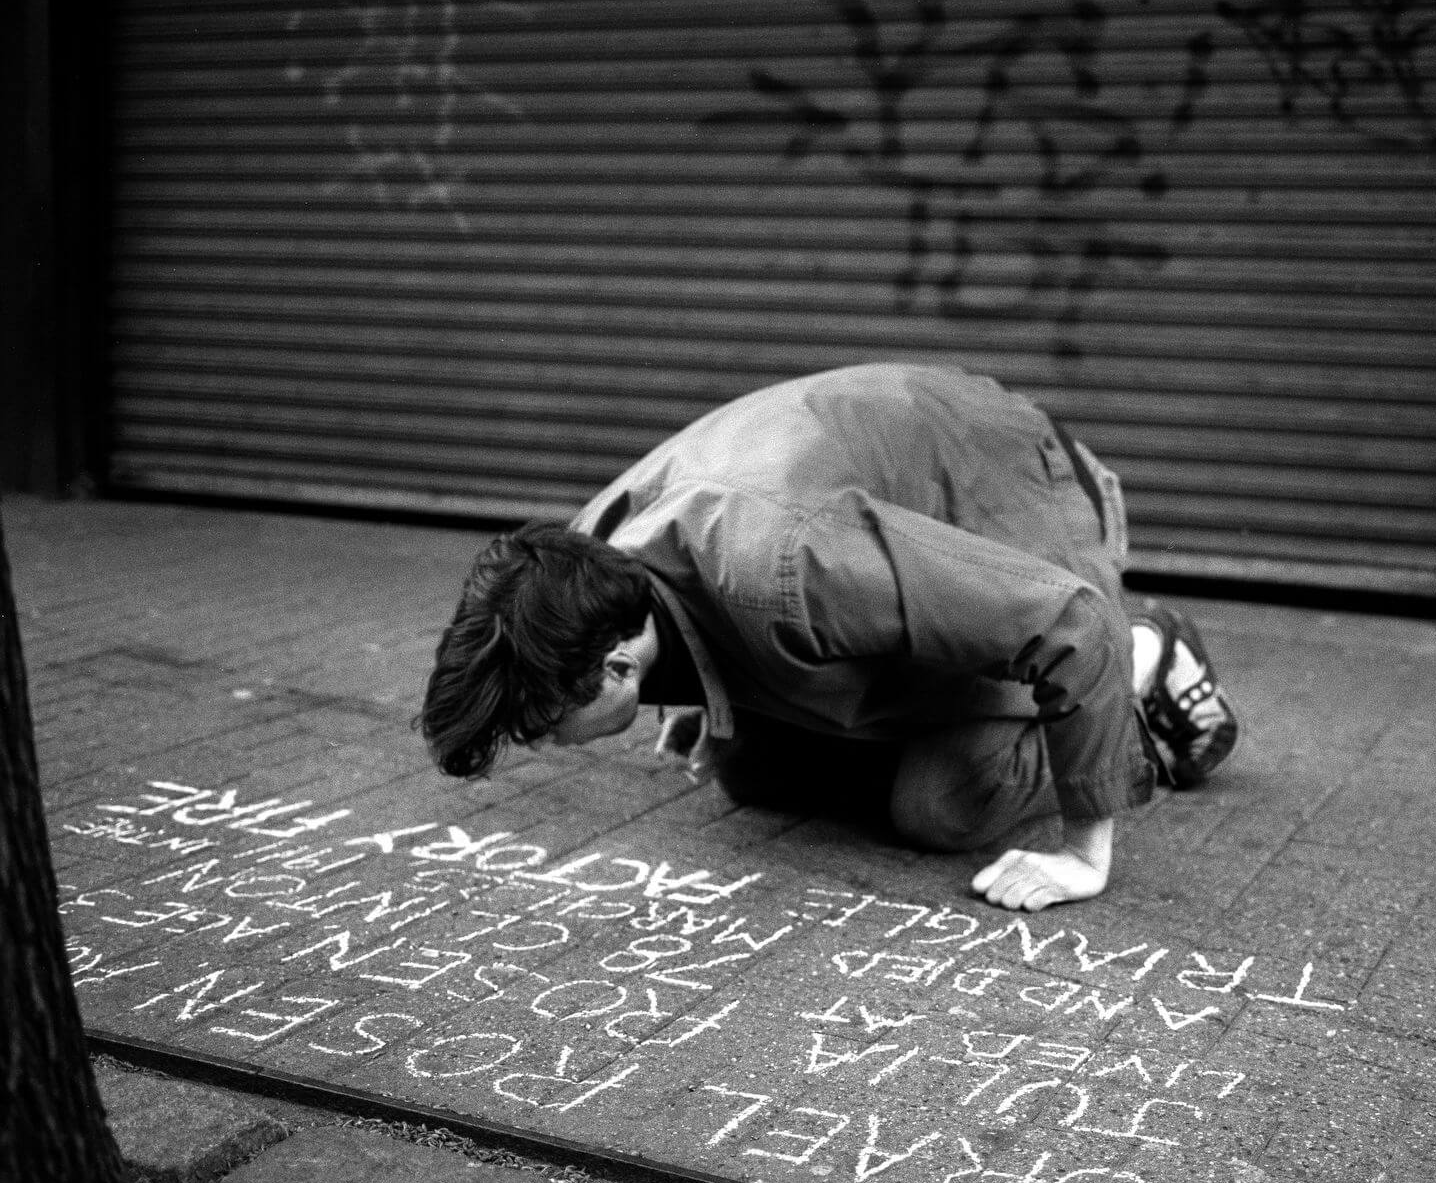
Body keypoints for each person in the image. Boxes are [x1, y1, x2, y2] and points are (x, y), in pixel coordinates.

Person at [419, 364, 1238, 912]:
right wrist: (707, 689)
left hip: (1001, 484)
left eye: (543, 725)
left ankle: (1149, 653)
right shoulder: (588, 564)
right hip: (875, 509)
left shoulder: (787, 566)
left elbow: (1065, 622)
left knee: (941, 803)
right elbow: (689, 610)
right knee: (754, 774)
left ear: (617, 665)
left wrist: (1083, 854)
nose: (548, 744)